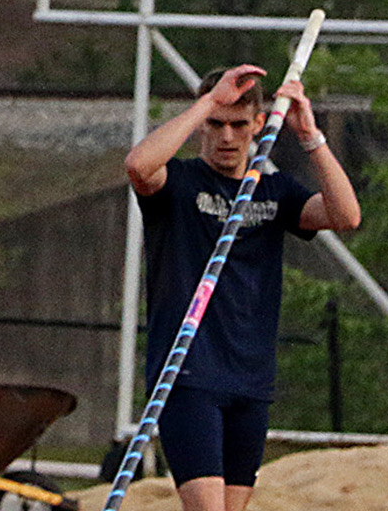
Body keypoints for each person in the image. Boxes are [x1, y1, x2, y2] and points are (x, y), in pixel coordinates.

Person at [124, 64, 362, 511]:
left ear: (258, 124)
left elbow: (347, 216)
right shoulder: (179, 183)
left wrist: (310, 135)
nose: (227, 137)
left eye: (238, 124)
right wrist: (208, 103)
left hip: (250, 378)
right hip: (187, 375)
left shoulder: (273, 192)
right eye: (216, 124)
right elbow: (138, 165)